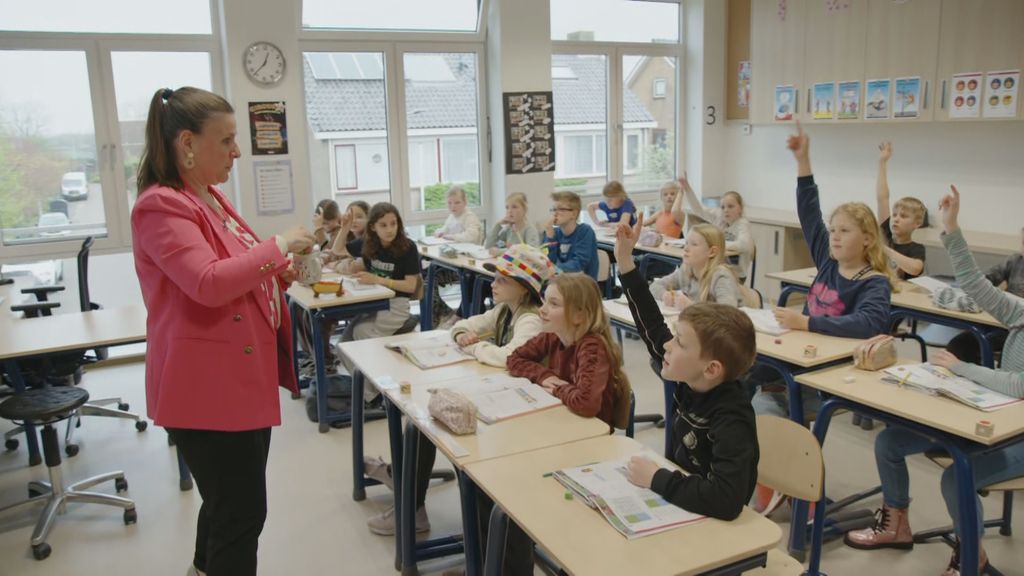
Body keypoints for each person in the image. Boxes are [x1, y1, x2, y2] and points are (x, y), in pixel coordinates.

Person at [131, 86, 315, 576]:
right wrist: (276, 247)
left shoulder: (208, 197)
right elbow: (207, 283)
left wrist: (272, 272)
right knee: (241, 513)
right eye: (227, 140)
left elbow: (233, 265)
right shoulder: (161, 206)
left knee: (226, 505)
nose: (237, 151)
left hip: (237, 381)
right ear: (187, 144)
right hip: (206, 388)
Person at [844, 185, 1024, 576]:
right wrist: (952, 227)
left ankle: (971, 559)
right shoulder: (1020, 310)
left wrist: (959, 369)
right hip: (994, 414)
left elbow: (1018, 385)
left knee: (955, 475)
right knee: (890, 442)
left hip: (1019, 434)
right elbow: (978, 287)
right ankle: (897, 526)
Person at [363, 245, 554, 556]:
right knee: (422, 422)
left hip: (520, 410)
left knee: (427, 426)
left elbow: (511, 359)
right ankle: (412, 506)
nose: (493, 283)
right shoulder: (506, 311)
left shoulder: (529, 320)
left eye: (502, 280)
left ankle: (414, 506)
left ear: (523, 288)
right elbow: (466, 324)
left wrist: (475, 349)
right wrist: (463, 336)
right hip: (500, 395)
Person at [614, 214, 759, 520]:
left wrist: (657, 479)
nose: (667, 345)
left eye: (679, 342)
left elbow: (726, 501)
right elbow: (651, 324)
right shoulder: (691, 379)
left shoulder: (731, 417)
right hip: (683, 506)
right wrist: (625, 262)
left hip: (715, 528)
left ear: (711, 368)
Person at [750, 121, 895, 419]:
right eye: (833, 230)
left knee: (756, 392)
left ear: (867, 239)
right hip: (801, 351)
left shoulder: (874, 283)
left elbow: (867, 324)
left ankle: (773, 432)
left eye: (845, 230)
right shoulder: (828, 260)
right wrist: (803, 162)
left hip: (831, 369)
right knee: (735, 366)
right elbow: (809, 212)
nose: (835, 236)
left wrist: (806, 323)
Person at [504, 272, 632, 575]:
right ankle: (500, 560)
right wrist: (546, 376)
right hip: (563, 431)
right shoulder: (555, 335)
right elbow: (515, 359)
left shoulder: (592, 346)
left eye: (553, 303)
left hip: (589, 448)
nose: (542, 309)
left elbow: (587, 404)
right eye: (545, 301)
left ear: (579, 315)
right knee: (501, 478)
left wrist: (559, 388)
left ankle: (509, 560)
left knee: (510, 486)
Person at [340, 202, 421, 343]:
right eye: (383, 225)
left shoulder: (408, 247)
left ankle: (380, 363)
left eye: (393, 224)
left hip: (396, 305)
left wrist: (378, 280)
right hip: (374, 302)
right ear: (373, 227)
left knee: (360, 333)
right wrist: (344, 228)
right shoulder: (369, 243)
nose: (389, 230)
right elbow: (338, 250)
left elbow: (411, 286)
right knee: (345, 342)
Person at [945, 226, 1024, 365]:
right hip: (1001, 321)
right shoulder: (1015, 260)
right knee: (959, 345)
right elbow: (985, 280)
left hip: (1017, 330)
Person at [672, 173, 754, 282]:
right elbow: (698, 209)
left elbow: (743, 245)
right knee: (693, 270)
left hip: (736, 273)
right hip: (717, 269)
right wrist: (687, 188)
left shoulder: (742, 223)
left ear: (740, 208)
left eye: (731, 206)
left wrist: (719, 244)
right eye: (723, 207)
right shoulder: (719, 217)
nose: (726, 210)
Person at [649, 223, 742, 309]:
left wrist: (691, 306)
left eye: (694, 244)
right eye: (686, 243)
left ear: (712, 252)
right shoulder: (686, 270)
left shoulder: (721, 276)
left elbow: (728, 311)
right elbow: (655, 286)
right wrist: (664, 295)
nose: (686, 248)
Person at [876, 141, 927, 280]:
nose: (896, 219)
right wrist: (882, 163)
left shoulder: (916, 249)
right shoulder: (885, 233)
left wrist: (885, 249)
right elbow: (882, 198)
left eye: (904, 216)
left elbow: (916, 268)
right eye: (894, 215)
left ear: (917, 223)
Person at [543, 191, 599, 280]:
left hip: (582, 286)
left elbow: (579, 264)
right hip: (560, 283)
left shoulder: (585, 231)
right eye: (553, 209)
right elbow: (549, 261)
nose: (555, 213)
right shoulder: (554, 233)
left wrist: (555, 269)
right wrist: (550, 237)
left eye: (561, 209)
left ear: (574, 213)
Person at [326, 200, 370, 268]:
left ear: (368, 219)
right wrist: (345, 227)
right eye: (351, 217)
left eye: (359, 217)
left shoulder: (368, 240)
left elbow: (355, 266)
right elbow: (334, 251)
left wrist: (335, 265)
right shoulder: (347, 236)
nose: (354, 220)